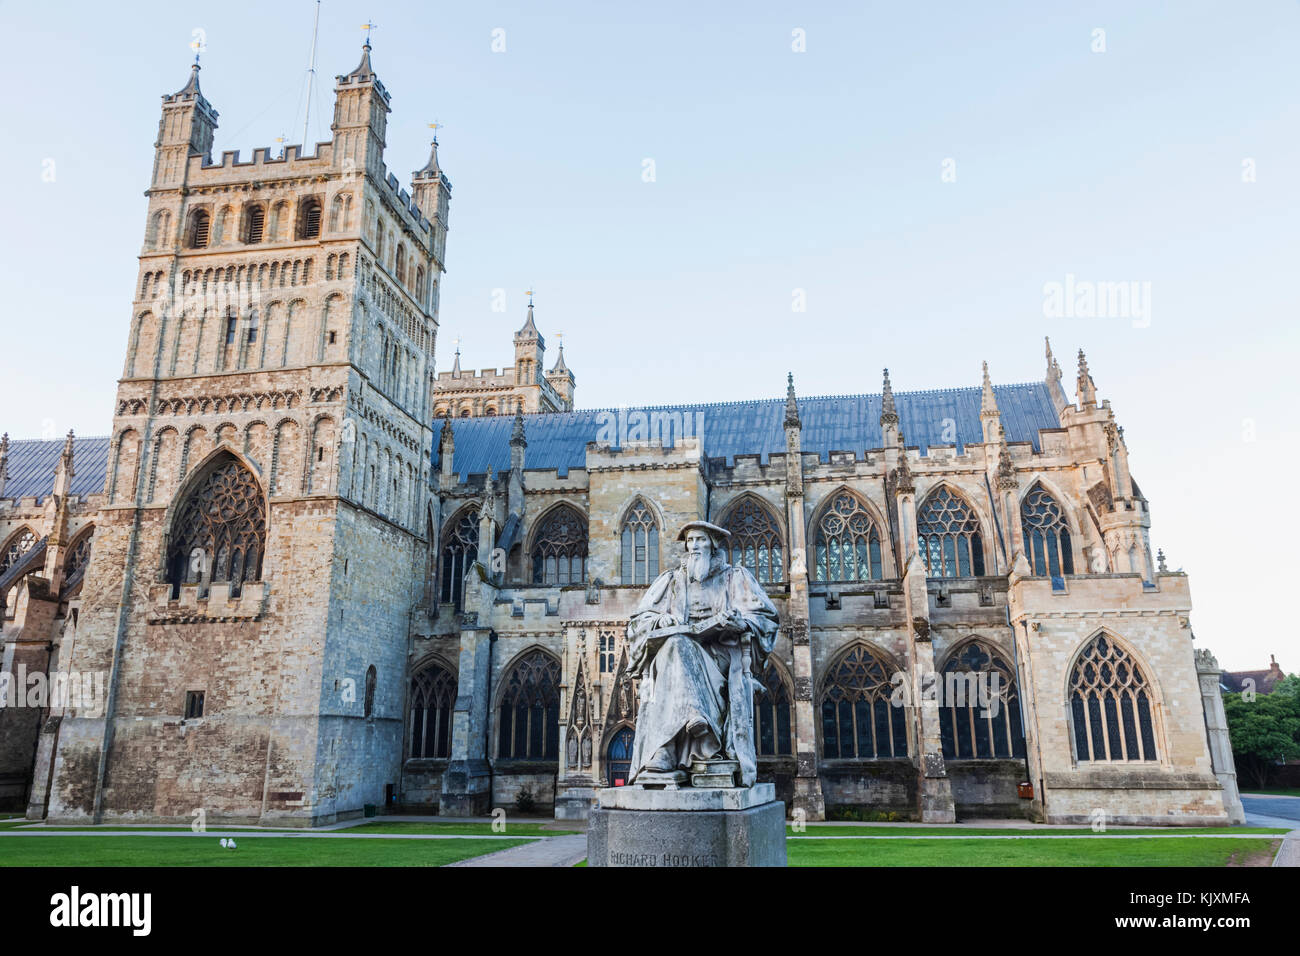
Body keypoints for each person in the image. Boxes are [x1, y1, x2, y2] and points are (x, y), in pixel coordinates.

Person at [625, 520, 779, 787]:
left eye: (701, 540)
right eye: (691, 540)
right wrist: (659, 621)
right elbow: (638, 620)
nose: (695, 546)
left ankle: (667, 749)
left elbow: (765, 617)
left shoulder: (735, 578)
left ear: (713, 545)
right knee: (676, 643)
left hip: (720, 656)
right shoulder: (671, 580)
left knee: (677, 647)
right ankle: (688, 725)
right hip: (675, 655)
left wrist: (740, 622)